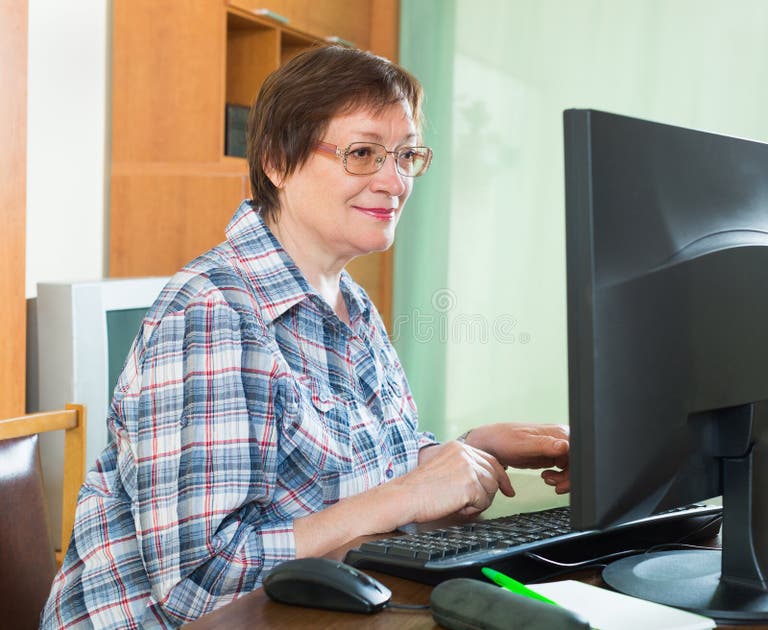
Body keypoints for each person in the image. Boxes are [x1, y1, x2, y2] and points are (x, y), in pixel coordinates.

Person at [40, 46, 569, 629]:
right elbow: (198, 584)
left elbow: (363, 467)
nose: (395, 181)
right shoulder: (213, 310)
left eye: (406, 155)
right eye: (363, 153)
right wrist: (410, 494)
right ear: (276, 161)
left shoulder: (351, 303)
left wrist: (471, 450)